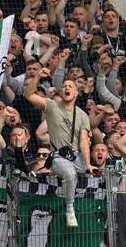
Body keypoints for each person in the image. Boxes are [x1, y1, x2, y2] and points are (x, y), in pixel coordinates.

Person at [24, 69, 91, 227]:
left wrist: (88, 163)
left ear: (76, 93)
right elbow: (28, 95)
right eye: (65, 86)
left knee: (91, 170)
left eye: (71, 87)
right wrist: (38, 75)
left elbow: (83, 142)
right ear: (61, 91)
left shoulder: (82, 115)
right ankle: (69, 208)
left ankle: (51, 172)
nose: (67, 88)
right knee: (70, 173)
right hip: (59, 155)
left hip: (76, 156)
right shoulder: (52, 105)